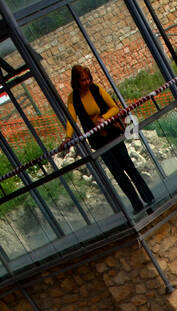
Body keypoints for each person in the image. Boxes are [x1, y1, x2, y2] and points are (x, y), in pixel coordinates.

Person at [61, 65, 153, 214]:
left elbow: (114, 107)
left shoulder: (96, 89)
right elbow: (71, 119)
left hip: (112, 134)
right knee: (117, 173)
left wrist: (104, 118)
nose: (86, 82)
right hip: (98, 141)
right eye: (83, 80)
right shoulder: (73, 98)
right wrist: (67, 137)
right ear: (76, 81)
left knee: (128, 165)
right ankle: (136, 203)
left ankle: (147, 197)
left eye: (88, 79)